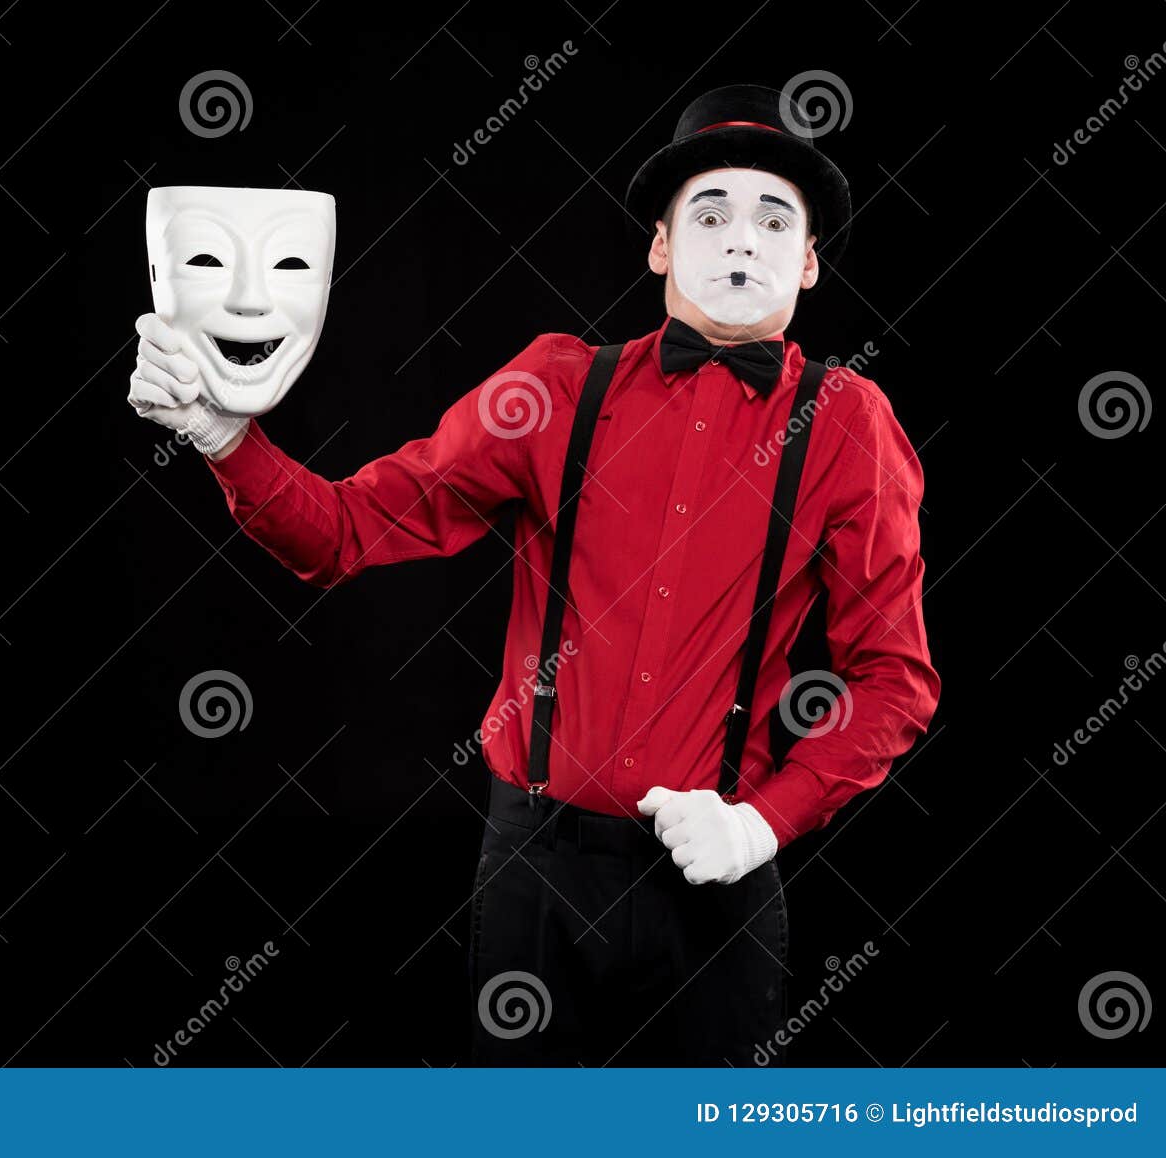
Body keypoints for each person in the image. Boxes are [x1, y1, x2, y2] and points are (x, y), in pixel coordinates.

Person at [127, 83, 940, 1065]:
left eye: (774, 220)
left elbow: (893, 680)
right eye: (710, 212)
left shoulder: (850, 425)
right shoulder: (554, 389)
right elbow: (346, 533)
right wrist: (225, 438)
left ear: (806, 263)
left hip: (719, 890)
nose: (740, 239)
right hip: (536, 875)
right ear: (659, 245)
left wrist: (763, 825)